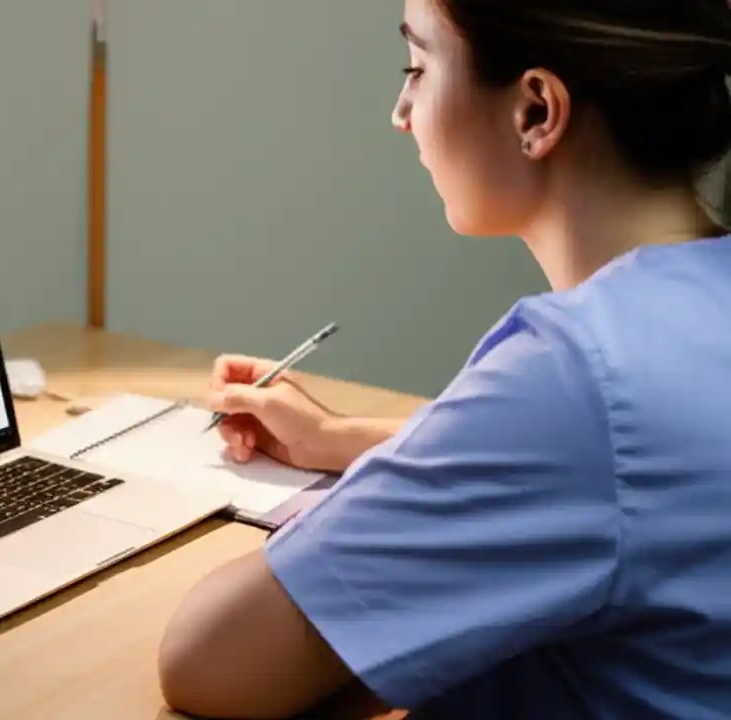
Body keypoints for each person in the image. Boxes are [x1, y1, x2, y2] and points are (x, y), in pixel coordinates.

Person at [157, 0, 731, 717]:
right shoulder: (687, 315)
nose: (402, 113)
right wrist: (343, 440)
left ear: (535, 112)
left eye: (418, 68)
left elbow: (206, 660)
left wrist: (356, 528)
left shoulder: (576, 371)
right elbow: (634, 471)